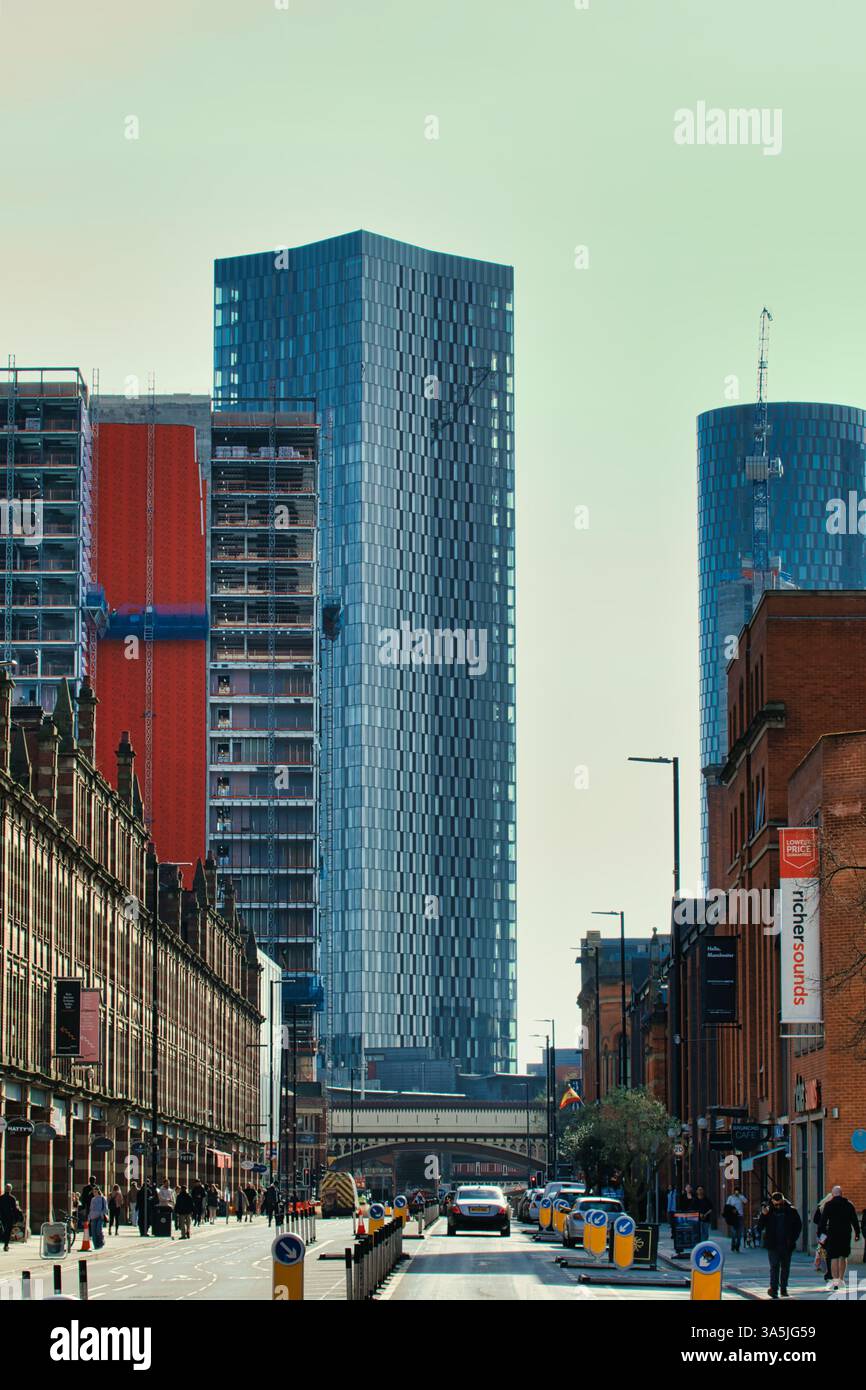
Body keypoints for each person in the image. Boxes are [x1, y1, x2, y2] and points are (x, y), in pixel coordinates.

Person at [757, 1190, 802, 1298]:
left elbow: (798, 1226)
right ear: (772, 1202)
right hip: (773, 1245)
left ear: (783, 1201)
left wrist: (792, 1239)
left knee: (785, 1268)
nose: (778, 1207)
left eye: (780, 1204)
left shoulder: (791, 1210)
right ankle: (774, 1290)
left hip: (787, 1245)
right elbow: (760, 1227)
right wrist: (763, 1216)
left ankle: (784, 1289)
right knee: (774, 1267)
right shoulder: (768, 1211)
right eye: (775, 1204)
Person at [817, 1184, 861, 1289]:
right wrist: (857, 1233)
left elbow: (822, 1222)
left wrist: (821, 1234)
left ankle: (835, 1281)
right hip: (845, 1234)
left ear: (833, 1194)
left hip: (832, 1234)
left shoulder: (829, 1205)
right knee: (843, 1256)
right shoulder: (849, 1205)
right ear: (841, 1194)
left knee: (833, 1257)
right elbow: (854, 1220)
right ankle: (841, 1279)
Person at [0, 1183, 23, 1252]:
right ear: (10, 1189)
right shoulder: (12, 1198)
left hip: (2, 1217)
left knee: (5, 1230)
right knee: (8, 1231)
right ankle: (6, 1245)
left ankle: (5, 1244)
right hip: (10, 1217)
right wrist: (19, 1215)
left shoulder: (1, 1198)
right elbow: (15, 1209)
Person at [724, 1188, 746, 1252]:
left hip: (740, 1216)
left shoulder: (741, 1197)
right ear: (733, 1192)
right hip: (733, 1217)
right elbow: (727, 1206)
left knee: (739, 1232)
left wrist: (740, 1197)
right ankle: (733, 1245)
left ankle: (737, 1246)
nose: (736, 1193)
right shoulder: (730, 1198)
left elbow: (745, 1201)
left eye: (738, 1192)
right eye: (735, 1192)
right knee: (734, 1232)